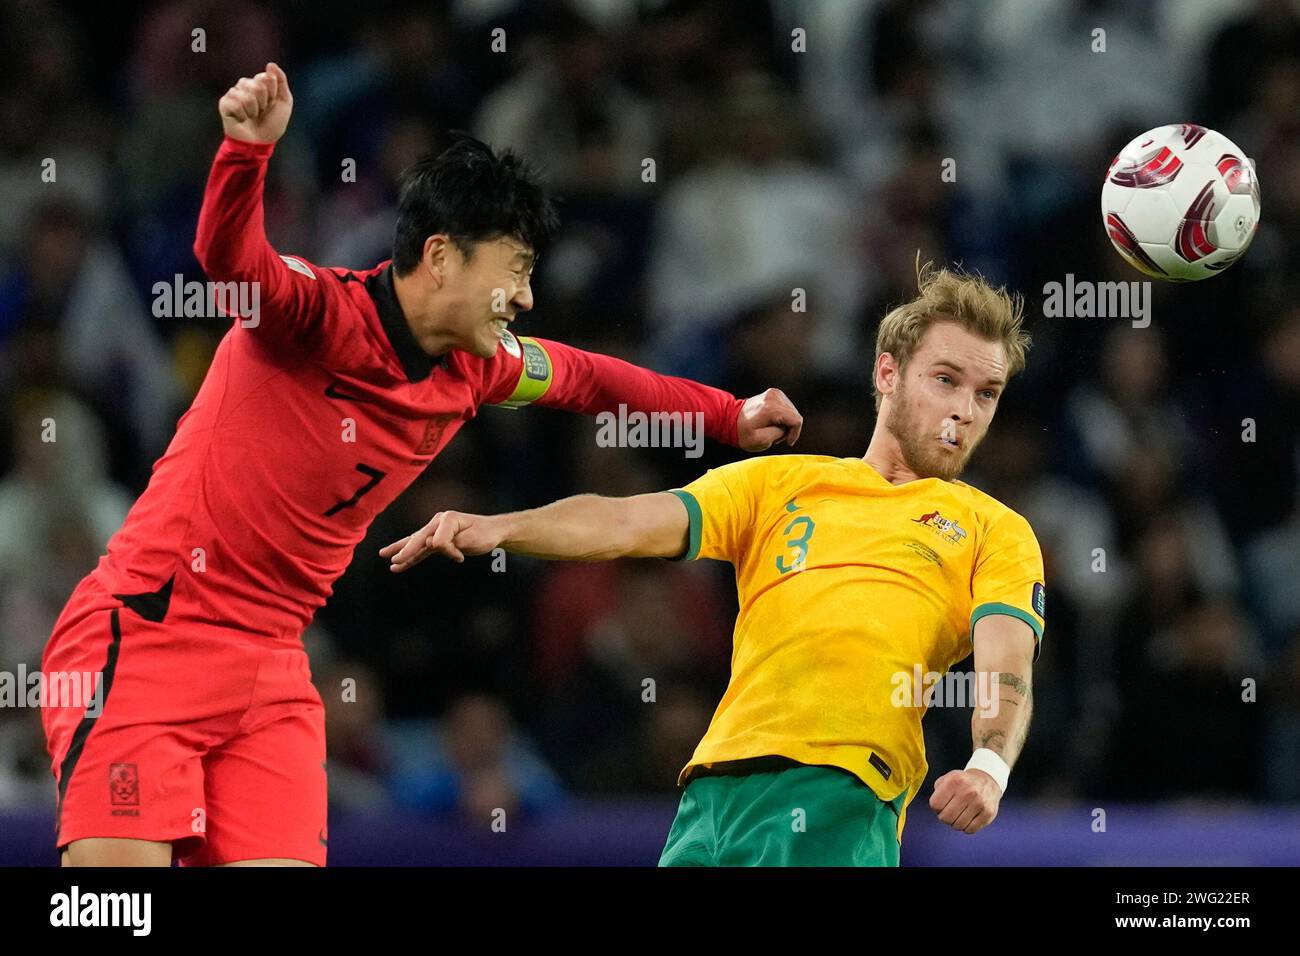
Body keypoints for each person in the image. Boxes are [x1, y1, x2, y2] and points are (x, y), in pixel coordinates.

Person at [41, 62, 801, 868]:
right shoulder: (314, 314)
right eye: (514, 271)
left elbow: (592, 378)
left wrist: (730, 412)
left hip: (270, 672)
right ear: (441, 256)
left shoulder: (480, 367)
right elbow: (232, 264)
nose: (528, 297)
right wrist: (245, 154)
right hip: (146, 638)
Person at [384, 264, 1045, 866]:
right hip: (712, 795)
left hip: (839, 788)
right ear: (887, 373)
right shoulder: (779, 484)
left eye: (986, 393)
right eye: (946, 379)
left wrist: (989, 761)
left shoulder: (994, 529)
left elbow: (1007, 666)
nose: (964, 409)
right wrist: (501, 527)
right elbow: (626, 522)